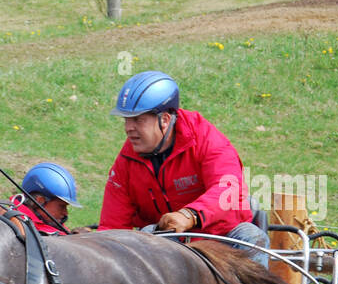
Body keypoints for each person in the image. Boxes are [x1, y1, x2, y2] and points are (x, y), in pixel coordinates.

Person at [100, 71, 268, 264]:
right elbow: (112, 227)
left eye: (138, 119)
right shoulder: (125, 163)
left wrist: (190, 215)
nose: (128, 128)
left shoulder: (206, 139)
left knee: (252, 237)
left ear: (164, 119)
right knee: (145, 238)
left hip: (220, 234)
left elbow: (228, 191)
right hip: (169, 239)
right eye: (126, 120)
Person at [14, 162, 82, 233]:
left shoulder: (49, 222)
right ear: (39, 201)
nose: (65, 213)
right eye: (61, 206)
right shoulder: (21, 225)